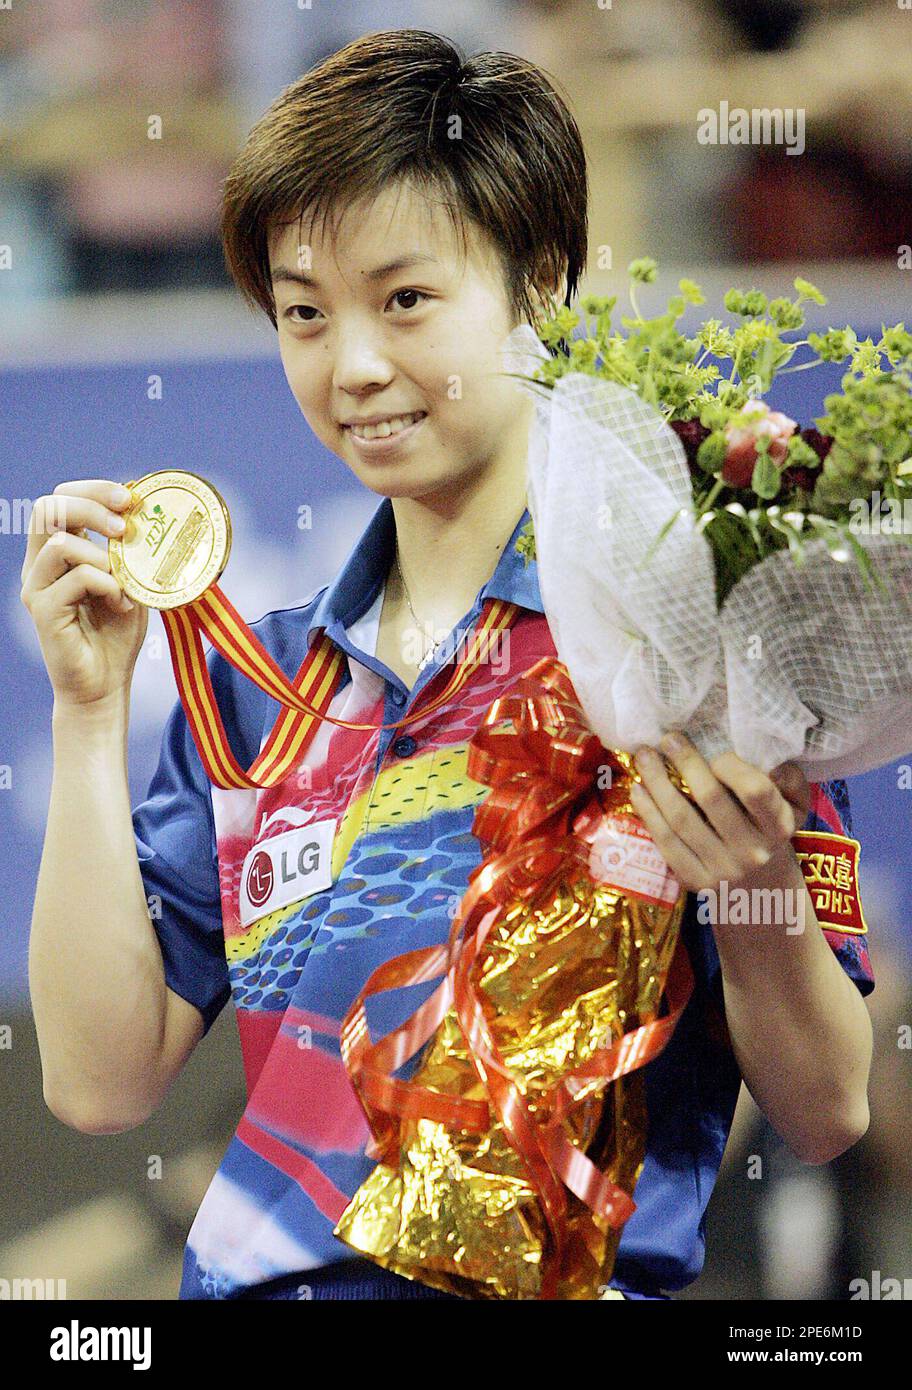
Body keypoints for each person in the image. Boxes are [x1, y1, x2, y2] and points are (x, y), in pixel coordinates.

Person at [22, 29, 874, 1302]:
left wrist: (749, 881)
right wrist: (88, 712)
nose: (352, 366)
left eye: (405, 300)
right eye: (305, 314)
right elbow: (100, 1081)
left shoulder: (692, 631)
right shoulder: (258, 681)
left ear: (541, 283)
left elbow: (828, 1107)